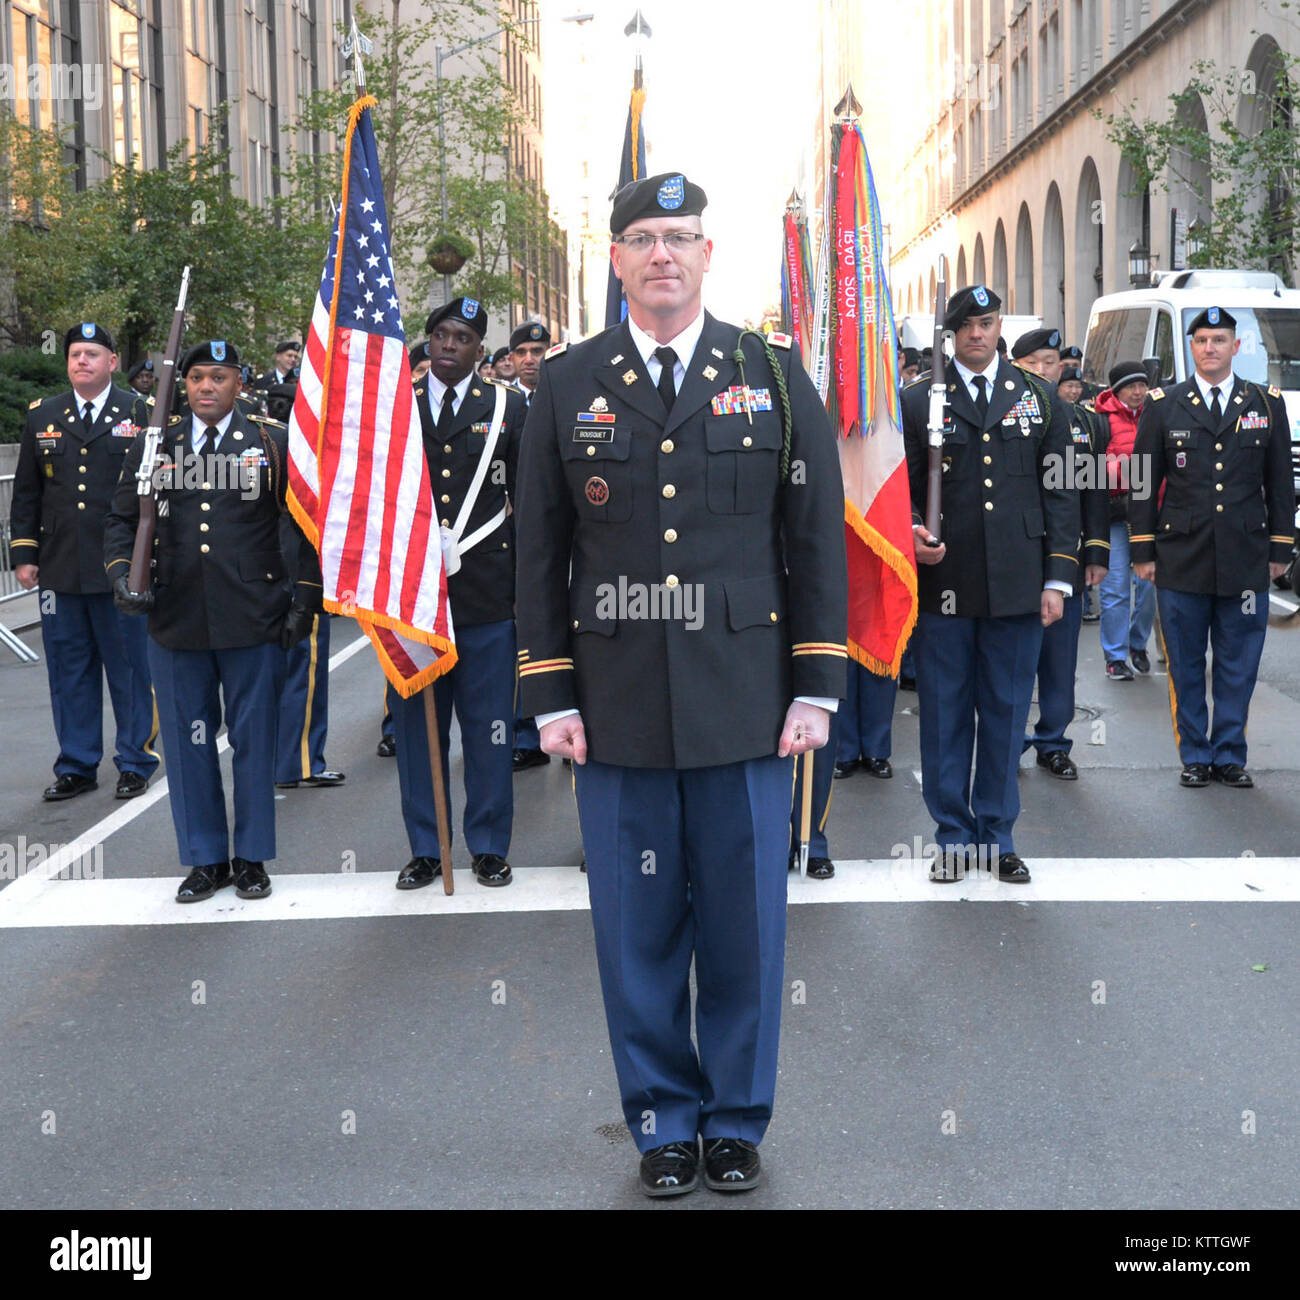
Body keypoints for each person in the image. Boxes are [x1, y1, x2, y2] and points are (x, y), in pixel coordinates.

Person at [514, 171, 847, 1196]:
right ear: (616, 259)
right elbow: (541, 551)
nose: (663, 253)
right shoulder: (567, 382)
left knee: (746, 926)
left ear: (708, 255)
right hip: (615, 703)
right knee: (637, 930)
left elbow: (813, 538)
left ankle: (736, 1120)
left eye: (681, 236)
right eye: (644, 238)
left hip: (747, 700)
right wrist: (550, 694)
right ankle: (662, 1121)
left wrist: (817, 686)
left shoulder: (771, 372)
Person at [104, 340, 321, 903]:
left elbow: (306, 524)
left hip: (253, 614)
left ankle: (251, 858)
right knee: (187, 742)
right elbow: (122, 519)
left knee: (254, 740)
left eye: (218, 377)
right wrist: (124, 577)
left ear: (238, 384)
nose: (206, 386)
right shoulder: (156, 443)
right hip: (176, 615)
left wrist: (304, 600)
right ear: (184, 384)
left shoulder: (271, 442)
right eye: (197, 376)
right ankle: (205, 859)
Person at [901, 286, 1078, 884]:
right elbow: (903, 489)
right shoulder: (919, 399)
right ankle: (953, 836)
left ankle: (998, 834)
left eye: (986, 322)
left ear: (999, 325)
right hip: (945, 584)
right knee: (945, 715)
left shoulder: (1039, 396)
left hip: (1018, 584)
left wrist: (1058, 577)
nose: (977, 334)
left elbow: (1061, 490)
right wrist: (912, 529)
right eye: (965, 326)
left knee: (1005, 712)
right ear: (949, 334)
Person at [387, 296, 528, 891]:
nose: (450, 345)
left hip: (487, 592)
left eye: (463, 338)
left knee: (489, 725)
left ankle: (489, 845)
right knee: (418, 730)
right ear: (428, 341)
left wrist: (527, 586)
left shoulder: (509, 408)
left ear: (479, 350)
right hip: (411, 597)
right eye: (442, 334)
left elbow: (529, 500)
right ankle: (427, 846)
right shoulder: (395, 404)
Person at [1130, 307, 1294, 789]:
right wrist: (1142, 549)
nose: (1210, 348)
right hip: (1181, 555)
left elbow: (1279, 483)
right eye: (1201, 340)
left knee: (1238, 663)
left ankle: (1229, 755)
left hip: (1245, 556)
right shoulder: (1165, 404)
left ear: (1236, 347)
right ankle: (1196, 755)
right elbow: (1143, 482)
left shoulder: (1264, 403)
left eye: (1219, 340)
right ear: (1191, 347)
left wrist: (1280, 547)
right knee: (1185, 663)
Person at [9, 323, 159, 802]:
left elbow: (157, 492)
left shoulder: (140, 412)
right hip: (62, 566)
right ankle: (76, 764)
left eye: (92, 354)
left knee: (129, 670)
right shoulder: (44, 414)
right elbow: (27, 491)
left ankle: (135, 761)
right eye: (75, 354)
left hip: (121, 567)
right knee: (69, 671)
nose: (81, 361)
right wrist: (24, 554)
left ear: (112, 363)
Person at [1011, 329, 1109, 778]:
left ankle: (1053, 742)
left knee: (1059, 660)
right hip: (1014, 557)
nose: (1041, 371)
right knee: (1012, 662)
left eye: (1049, 362)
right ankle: (1008, 742)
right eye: (1031, 363)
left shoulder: (1084, 422)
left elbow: (1093, 492)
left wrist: (1096, 552)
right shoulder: (1001, 414)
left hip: (1064, 556)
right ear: (1015, 366)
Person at [1093, 360, 1154, 680]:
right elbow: (1089, 468)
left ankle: (1138, 644)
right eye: (1131, 386)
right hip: (1115, 514)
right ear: (1117, 391)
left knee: (1149, 586)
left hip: (1150, 514)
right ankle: (1115, 656)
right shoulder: (1099, 421)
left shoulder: (1156, 413)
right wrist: (1128, 471)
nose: (1138, 391)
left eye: (1142, 385)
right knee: (1115, 588)